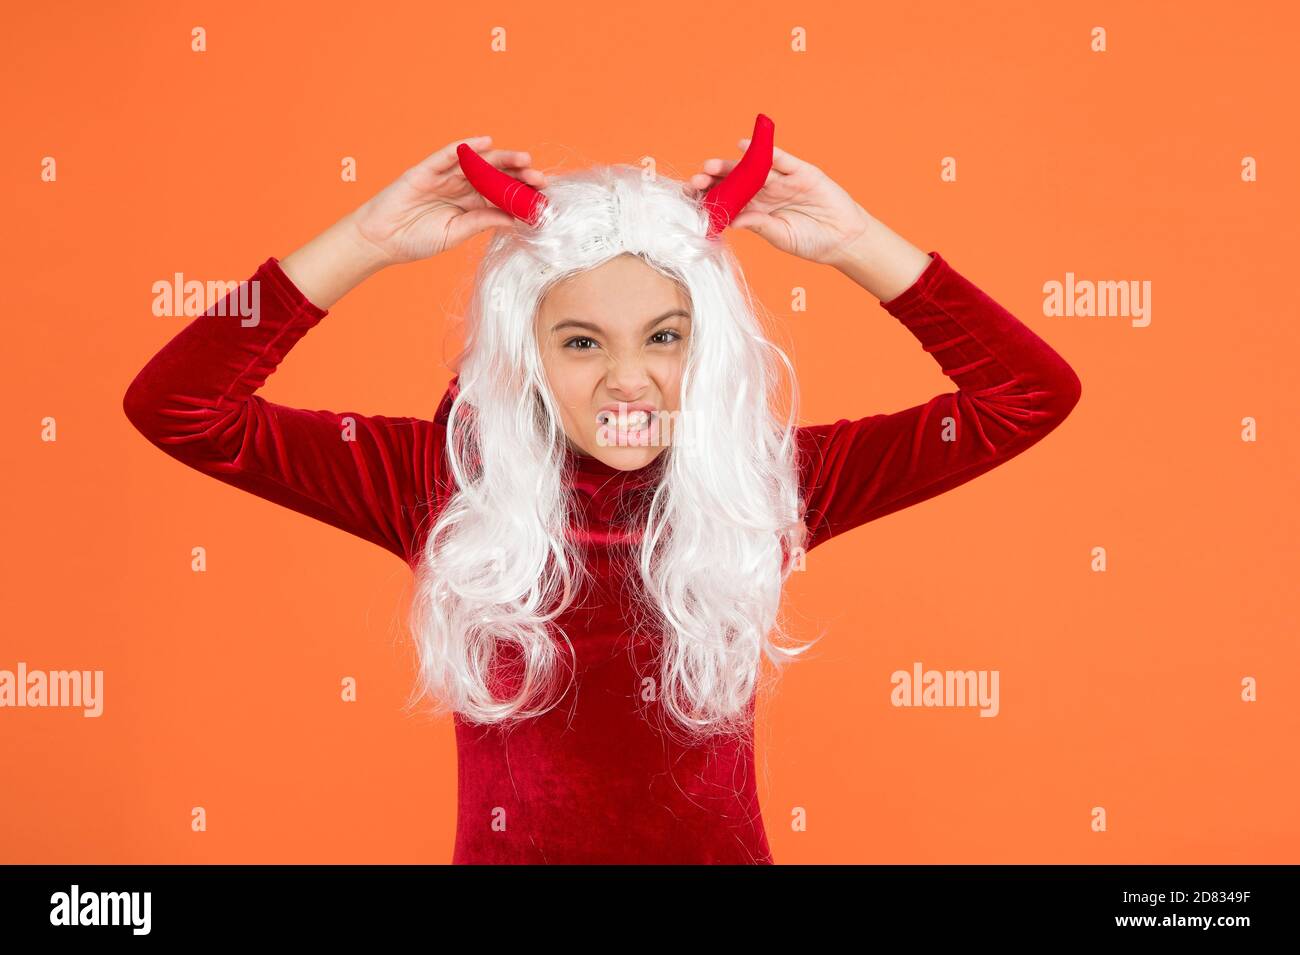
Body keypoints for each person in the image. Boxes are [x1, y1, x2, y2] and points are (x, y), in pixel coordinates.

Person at [122, 116, 1081, 864]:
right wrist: (365, 239)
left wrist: (857, 240)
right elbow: (181, 406)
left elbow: (1026, 397)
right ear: (526, 353)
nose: (630, 379)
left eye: (665, 335)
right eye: (582, 341)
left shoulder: (762, 484)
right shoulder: (438, 481)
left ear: (705, 347)